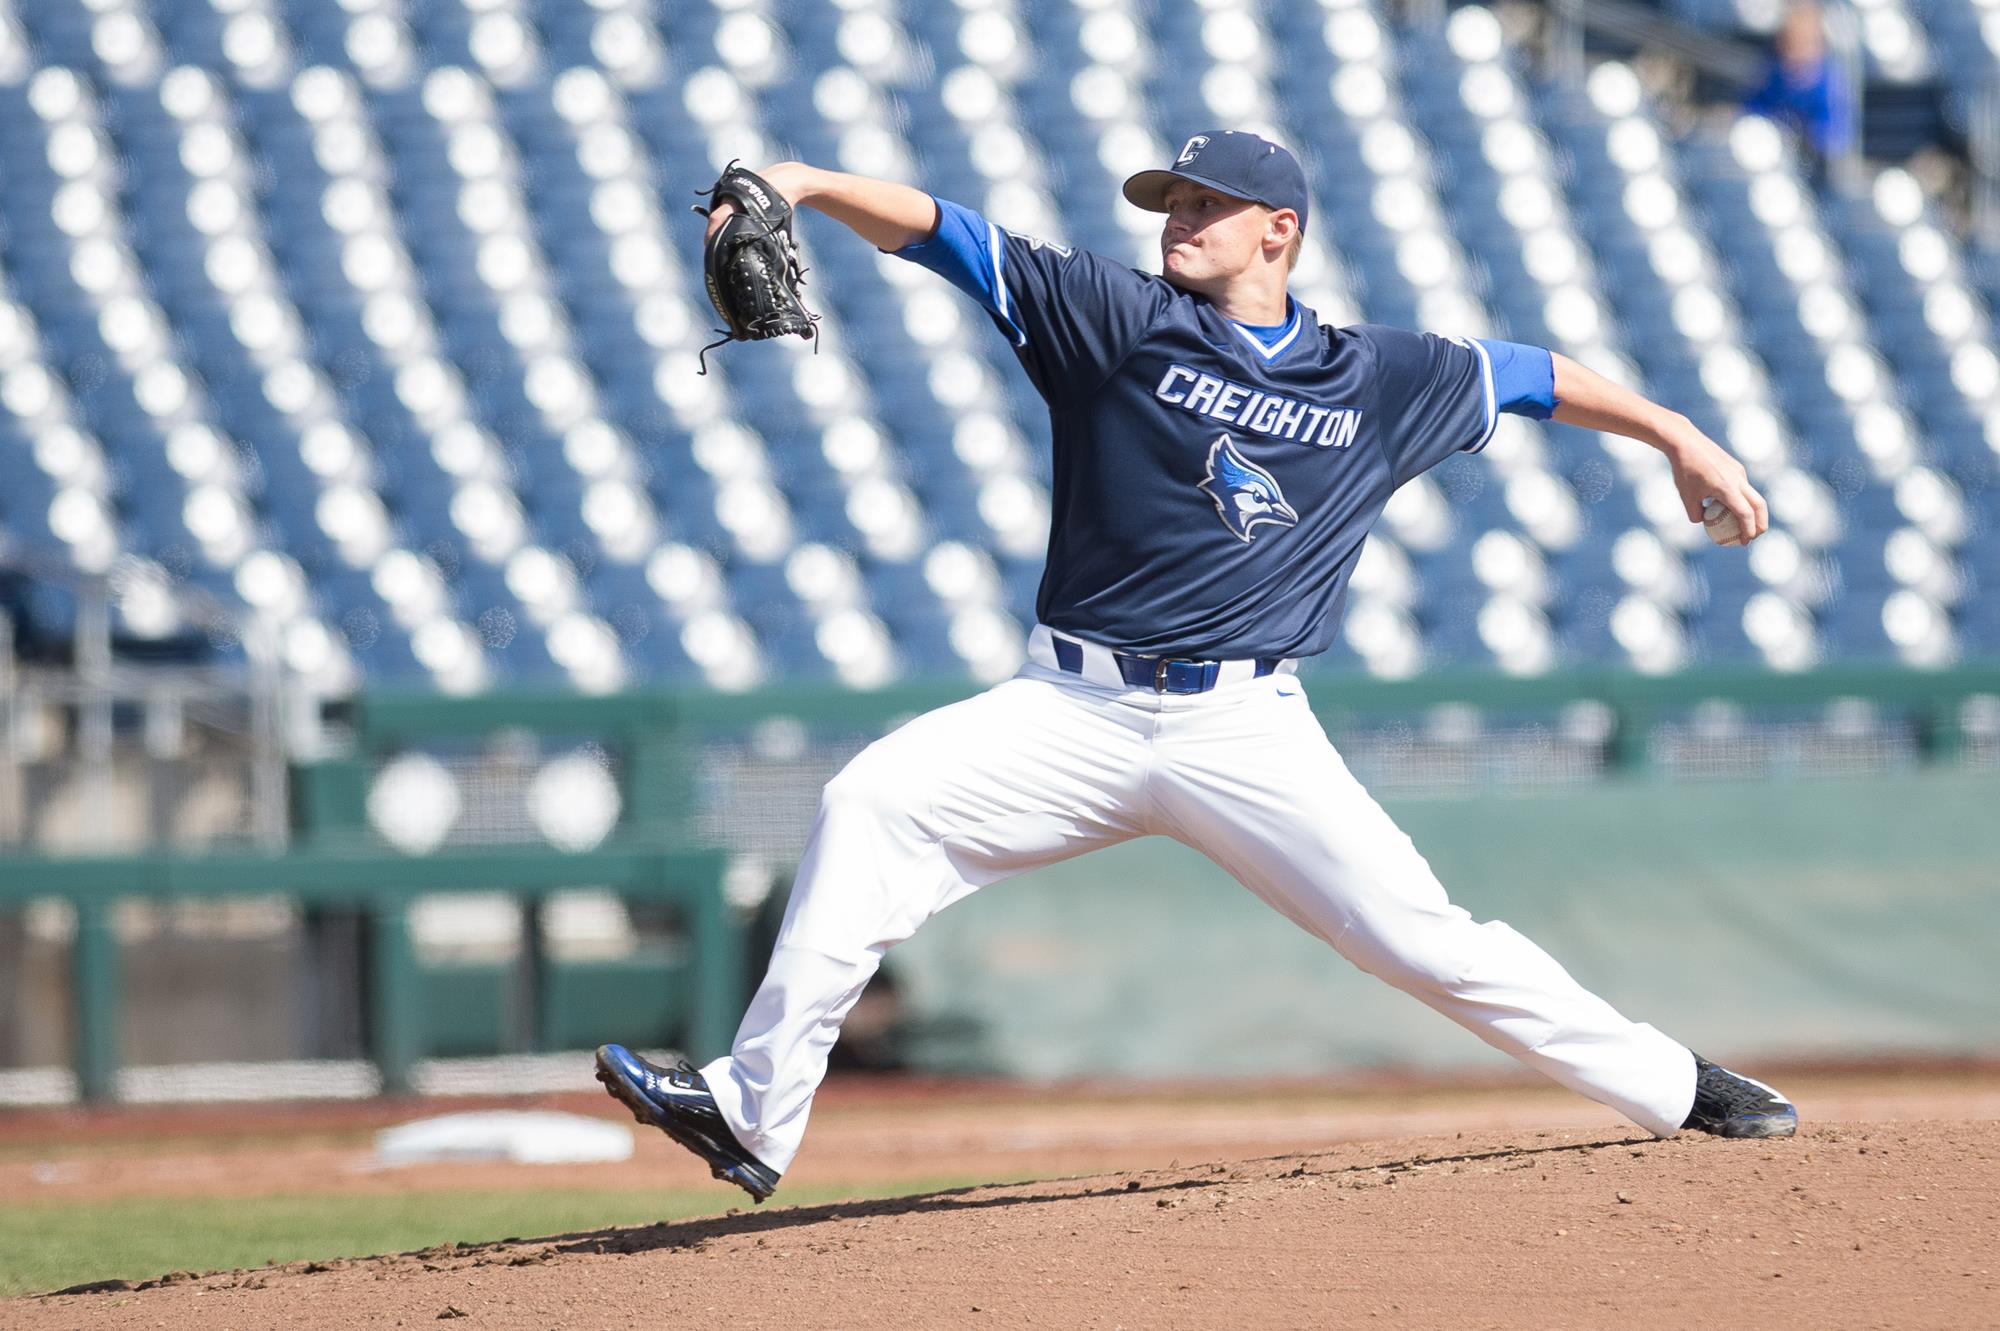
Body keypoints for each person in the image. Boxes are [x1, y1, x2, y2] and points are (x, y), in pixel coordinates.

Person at [595, 130, 1793, 1202]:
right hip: (1069, 707)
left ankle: (1674, 1086)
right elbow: (940, 229)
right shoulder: (1112, 319)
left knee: (1423, 940)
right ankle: (751, 1110)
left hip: (1244, 728)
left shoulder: (1374, 374)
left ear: (1280, 230)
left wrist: (1677, 434)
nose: (1175, 219)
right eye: (1168, 200)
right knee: (871, 802)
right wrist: (798, 181)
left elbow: (1528, 374)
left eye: (1203, 203)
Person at [1742, 0, 1856, 170]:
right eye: (1791, 44)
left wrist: (1805, 138)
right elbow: (1751, 114)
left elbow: (1833, 137)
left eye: (1805, 43)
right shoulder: (1772, 79)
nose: (1797, 53)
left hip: (1815, 175)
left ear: (1819, 46)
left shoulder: (1828, 88)